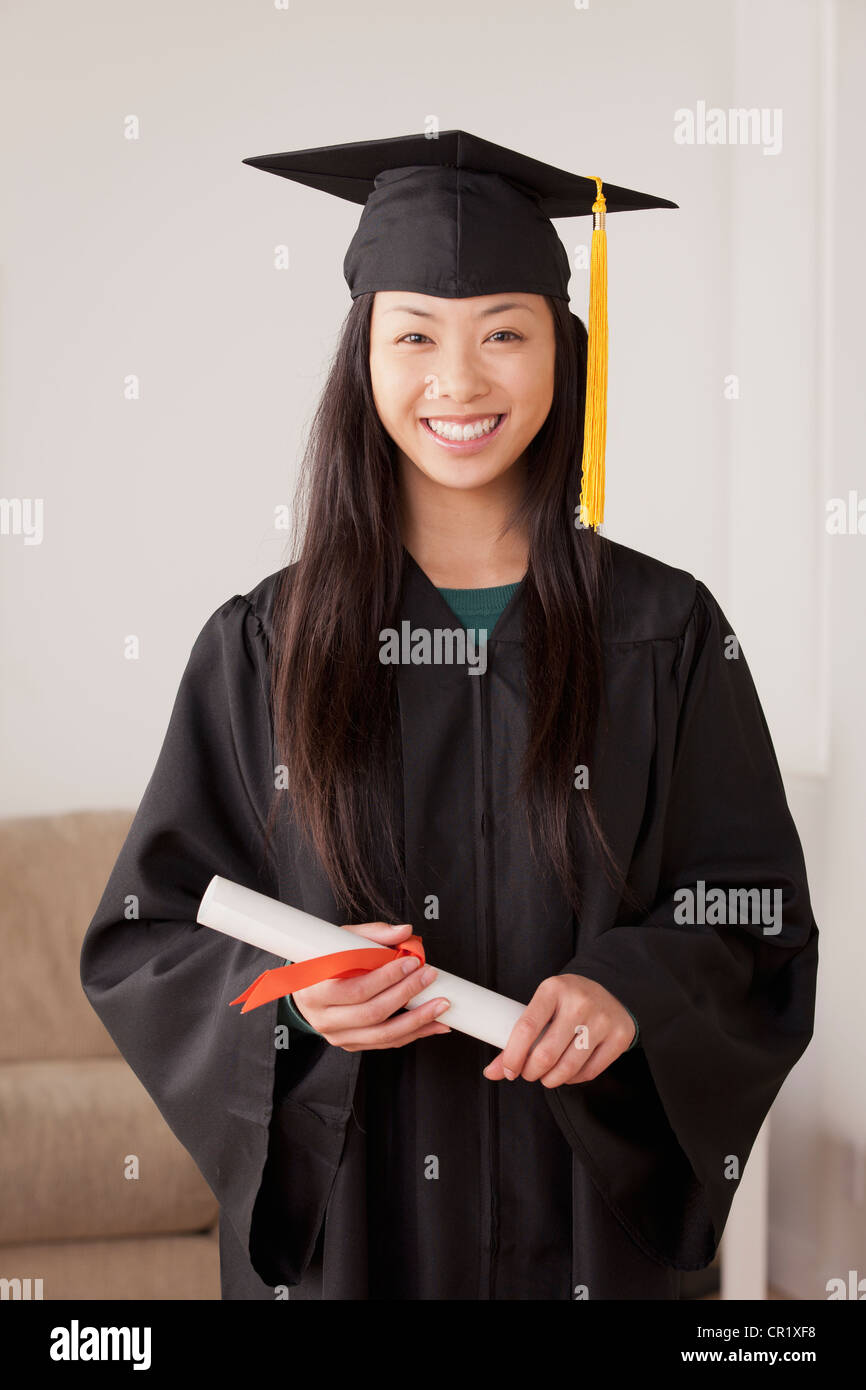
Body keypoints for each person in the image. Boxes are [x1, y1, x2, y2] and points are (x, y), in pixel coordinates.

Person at [80, 130, 819, 1301]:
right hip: (353, 1225)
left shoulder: (666, 633)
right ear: (361, 360)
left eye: (503, 335)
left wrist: (629, 986)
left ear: (561, 355)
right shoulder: (262, 645)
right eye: (414, 334)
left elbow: (751, 913)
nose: (458, 382)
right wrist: (294, 1005)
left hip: (587, 1225)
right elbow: (147, 932)